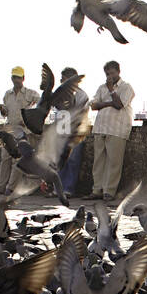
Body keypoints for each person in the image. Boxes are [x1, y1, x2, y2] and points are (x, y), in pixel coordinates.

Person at [88, 60, 134, 201]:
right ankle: (97, 190)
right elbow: (94, 105)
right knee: (98, 161)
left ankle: (109, 191)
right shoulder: (101, 87)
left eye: (112, 73)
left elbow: (119, 104)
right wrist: (108, 103)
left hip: (117, 128)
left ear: (118, 72)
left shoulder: (126, 87)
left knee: (114, 162)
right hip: (101, 127)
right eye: (108, 74)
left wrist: (111, 90)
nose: (110, 76)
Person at [0, 67, 39, 194]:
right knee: (5, 159)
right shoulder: (8, 94)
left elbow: (41, 104)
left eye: (18, 77)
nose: (16, 80)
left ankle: (10, 187)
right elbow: (6, 113)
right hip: (9, 129)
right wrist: (2, 109)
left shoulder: (30, 93)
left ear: (23, 78)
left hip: (22, 130)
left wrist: (29, 116)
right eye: (14, 77)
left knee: (17, 160)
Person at [56, 68, 89, 197]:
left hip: (75, 132)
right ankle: (58, 188)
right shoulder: (60, 93)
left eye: (63, 79)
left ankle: (68, 189)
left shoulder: (82, 95)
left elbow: (77, 110)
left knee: (73, 161)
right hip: (61, 130)